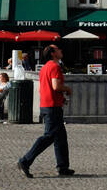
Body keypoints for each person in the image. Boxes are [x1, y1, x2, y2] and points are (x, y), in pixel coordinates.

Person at [17, 45, 74, 178]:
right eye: (59, 49)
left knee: (60, 138)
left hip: (48, 104)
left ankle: (63, 166)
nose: (61, 50)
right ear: (53, 53)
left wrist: (60, 98)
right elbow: (56, 86)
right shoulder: (54, 67)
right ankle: (25, 161)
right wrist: (67, 89)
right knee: (49, 137)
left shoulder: (45, 67)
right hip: (52, 107)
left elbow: (43, 88)